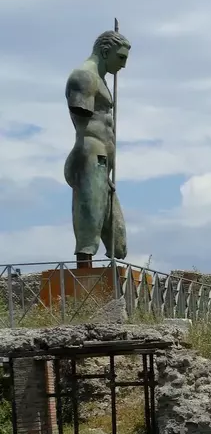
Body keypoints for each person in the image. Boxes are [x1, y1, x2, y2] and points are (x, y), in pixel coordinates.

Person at [64, 30, 130, 265]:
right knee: (89, 223)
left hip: (103, 163)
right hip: (91, 155)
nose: (123, 65)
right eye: (120, 58)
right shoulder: (84, 76)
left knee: (118, 239)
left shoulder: (100, 80)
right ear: (105, 51)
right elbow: (85, 123)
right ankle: (84, 276)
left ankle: (104, 277)